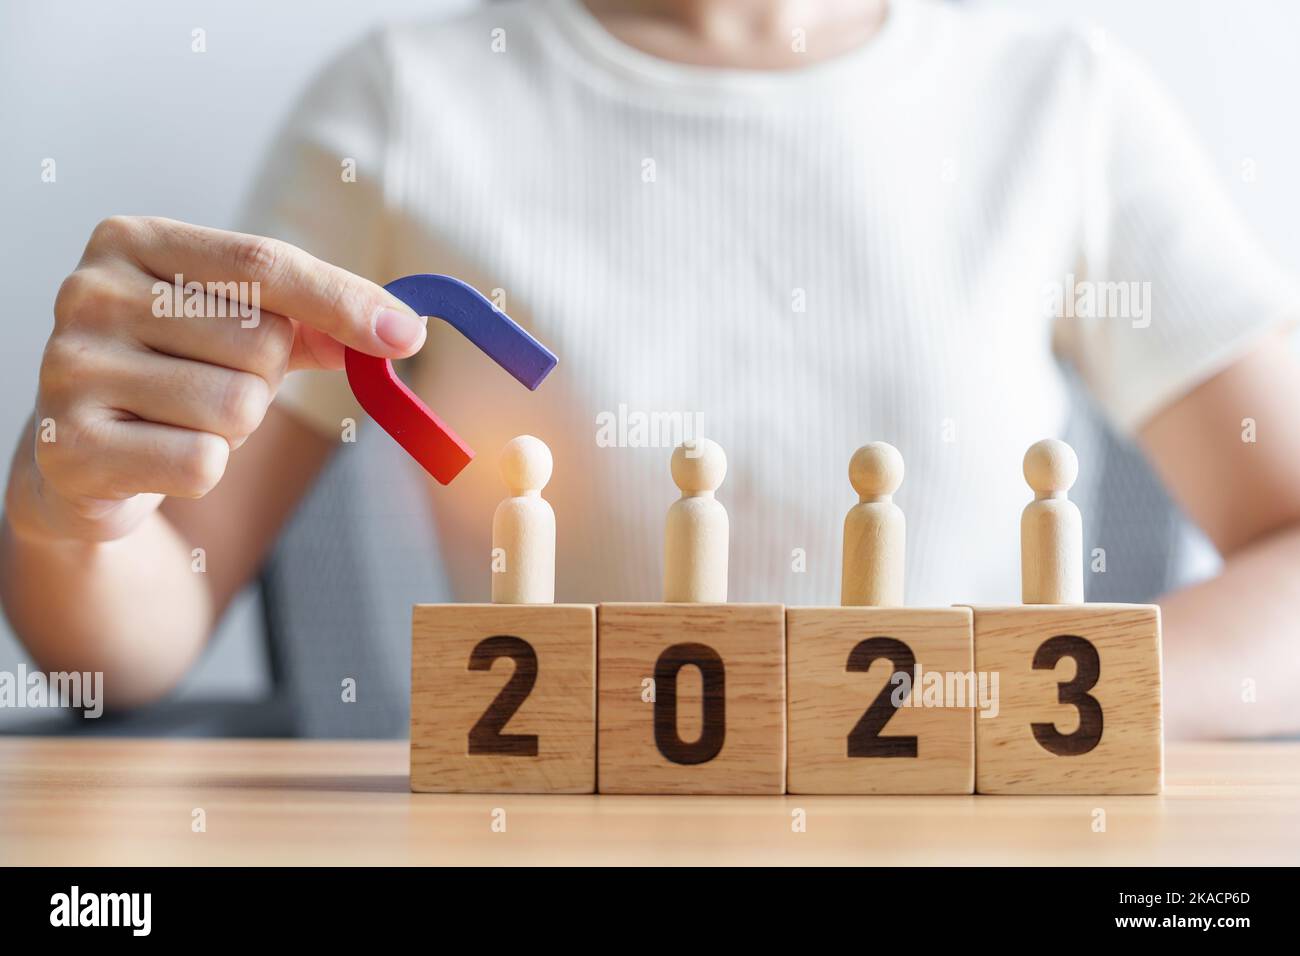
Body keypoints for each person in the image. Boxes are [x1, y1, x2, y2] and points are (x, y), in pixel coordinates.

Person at [2, 0, 1298, 739]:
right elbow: (133, 638)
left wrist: (1024, 706)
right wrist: (70, 514)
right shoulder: (402, 104)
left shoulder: (1059, 99)